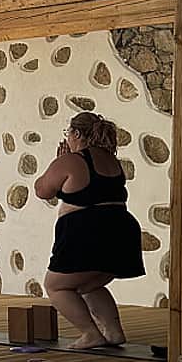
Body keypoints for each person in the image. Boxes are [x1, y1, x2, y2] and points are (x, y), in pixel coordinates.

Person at [35, 112, 144, 349]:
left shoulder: (72, 161)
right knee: (90, 284)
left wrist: (58, 162)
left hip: (87, 232)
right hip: (122, 229)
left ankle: (90, 333)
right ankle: (113, 332)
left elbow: (42, 190)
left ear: (75, 134)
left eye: (69, 134)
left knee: (56, 286)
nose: (68, 139)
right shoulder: (110, 160)